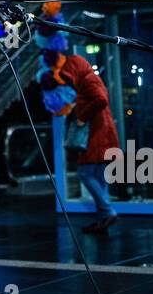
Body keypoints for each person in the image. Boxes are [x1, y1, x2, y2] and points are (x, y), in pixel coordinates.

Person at [39, 49, 121, 233]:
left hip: (97, 133)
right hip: (101, 131)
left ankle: (107, 212)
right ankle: (103, 218)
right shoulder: (85, 80)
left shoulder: (89, 81)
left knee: (85, 173)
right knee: (99, 177)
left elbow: (101, 100)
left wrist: (82, 116)